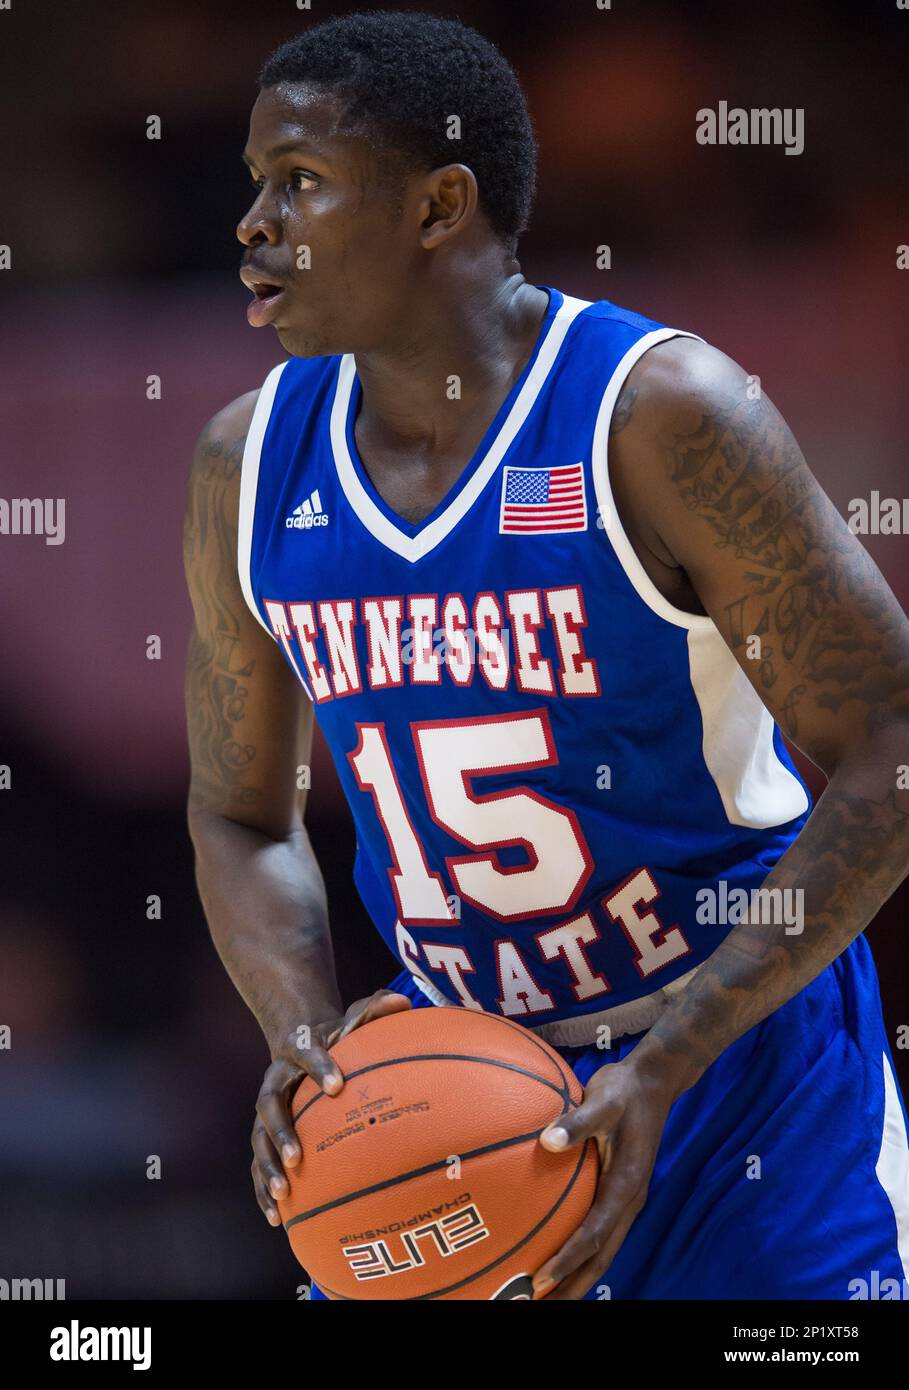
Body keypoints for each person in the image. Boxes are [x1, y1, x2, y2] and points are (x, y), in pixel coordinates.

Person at [184, 11, 909, 1300]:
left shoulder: (663, 416)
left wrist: (668, 1060)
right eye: (257, 183)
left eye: (298, 182)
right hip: (451, 1101)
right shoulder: (247, 463)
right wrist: (305, 1040)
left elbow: (891, 752)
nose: (253, 222)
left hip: (746, 1084)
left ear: (438, 205)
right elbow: (241, 813)